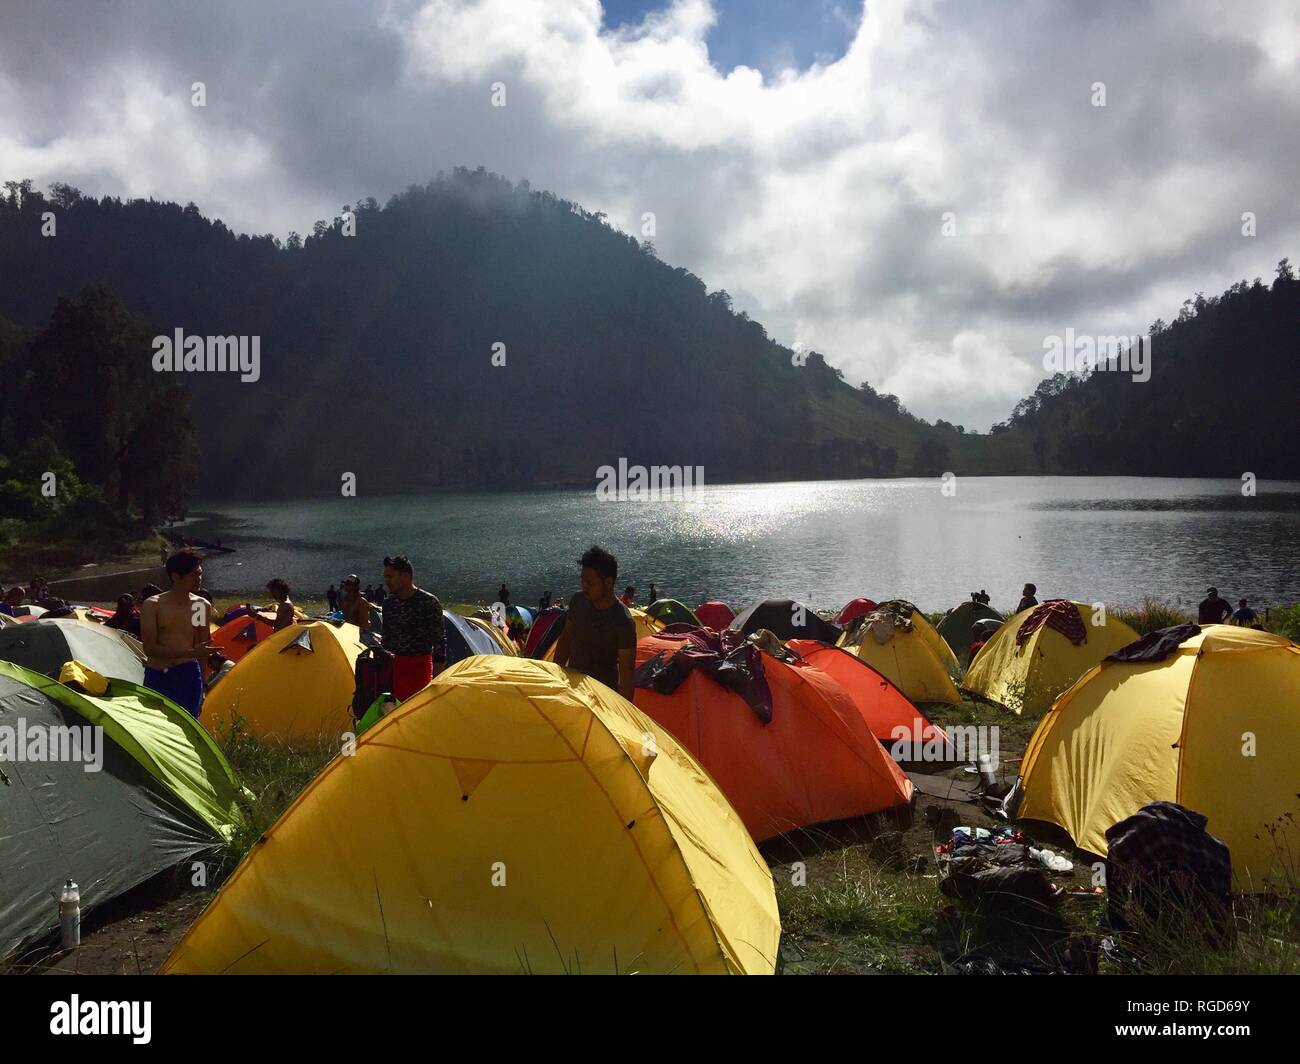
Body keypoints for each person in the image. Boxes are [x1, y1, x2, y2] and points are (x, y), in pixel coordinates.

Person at [553, 545, 636, 701]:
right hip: (572, 690)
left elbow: (627, 674)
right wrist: (555, 676)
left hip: (602, 697)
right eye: (582, 580)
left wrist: (623, 715)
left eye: (590, 583)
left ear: (609, 583)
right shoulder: (578, 601)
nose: (584, 586)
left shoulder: (624, 622)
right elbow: (566, 638)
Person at [139, 551, 215, 719]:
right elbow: (150, 649)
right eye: (193, 575)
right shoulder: (154, 606)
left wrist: (203, 682)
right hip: (158, 673)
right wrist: (190, 653)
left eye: (200, 574)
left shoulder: (200, 605)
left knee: (188, 725)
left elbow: (203, 647)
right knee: (155, 725)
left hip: (188, 674)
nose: (199, 579)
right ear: (176, 577)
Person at [381, 555, 445, 701]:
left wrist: (437, 679)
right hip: (395, 670)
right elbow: (386, 639)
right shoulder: (388, 604)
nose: (386, 582)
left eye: (390, 577)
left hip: (421, 668)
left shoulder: (429, 602)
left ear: (405, 576)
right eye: (385, 577)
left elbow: (439, 642)